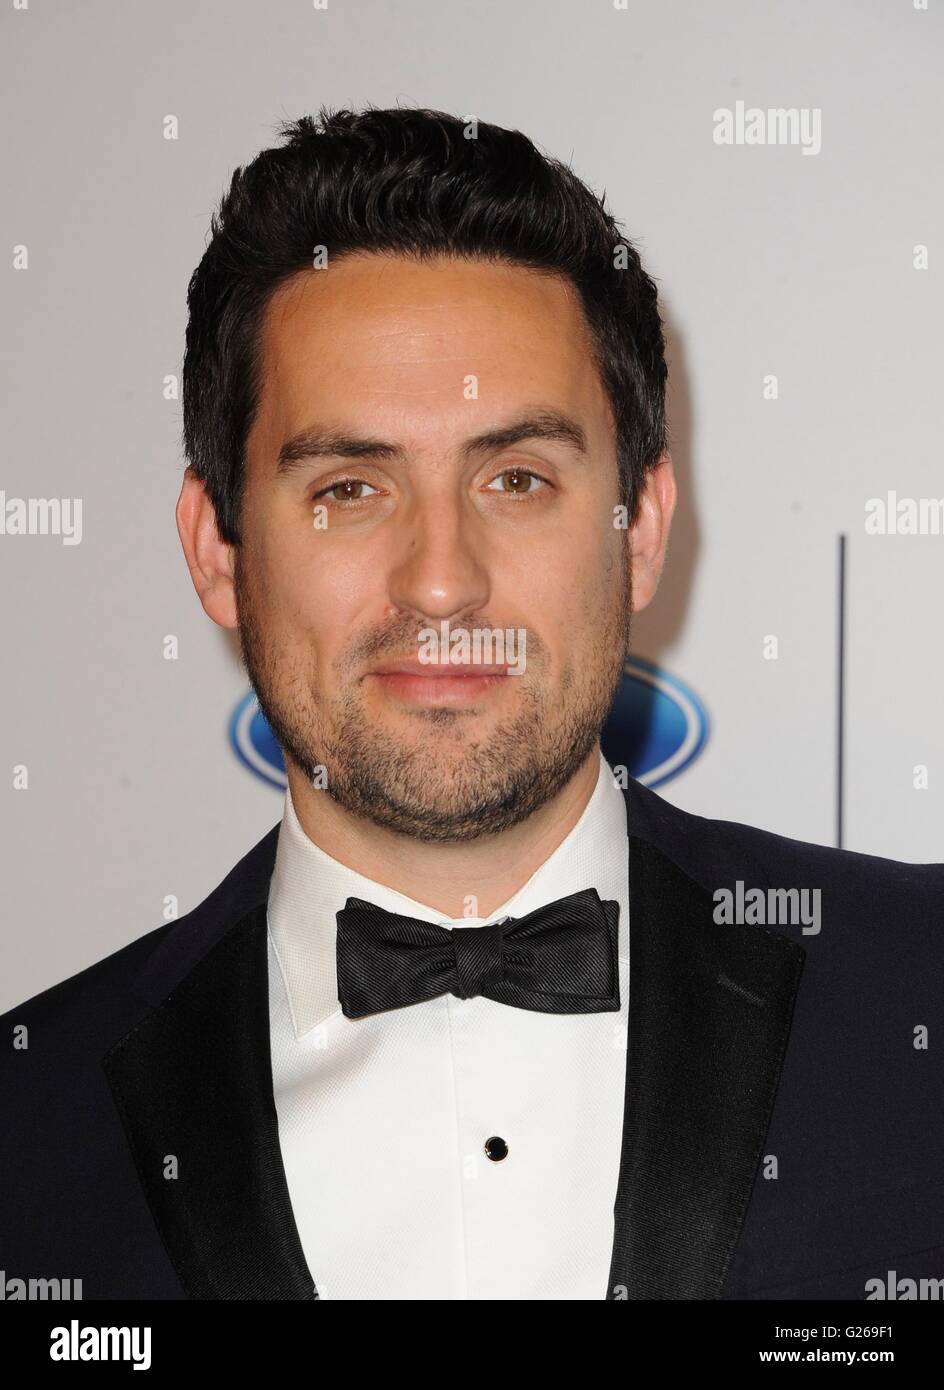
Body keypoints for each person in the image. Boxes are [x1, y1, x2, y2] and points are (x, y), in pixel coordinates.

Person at [2, 107, 942, 1302]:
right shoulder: (31, 1125)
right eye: (348, 486)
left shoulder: (920, 996)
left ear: (639, 531)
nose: (440, 578)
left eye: (515, 478)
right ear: (218, 551)